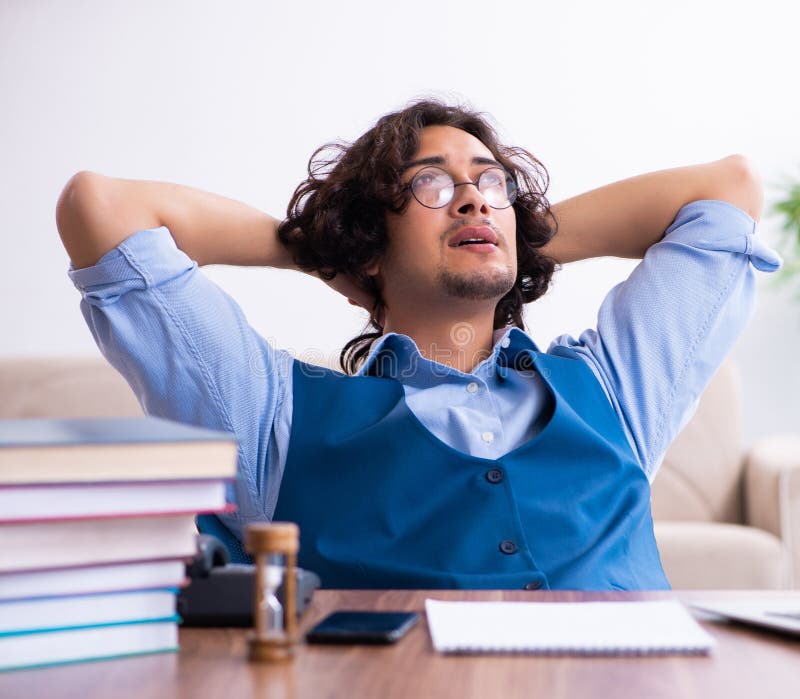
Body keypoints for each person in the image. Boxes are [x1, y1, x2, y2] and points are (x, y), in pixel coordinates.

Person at [56, 99, 781, 590]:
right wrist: (321, 245)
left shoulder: (617, 386)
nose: (473, 198)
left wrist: (515, 234)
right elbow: (102, 209)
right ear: (370, 244)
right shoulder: (267, 413)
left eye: (490, 182)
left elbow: (729, 189)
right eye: (430, 184)